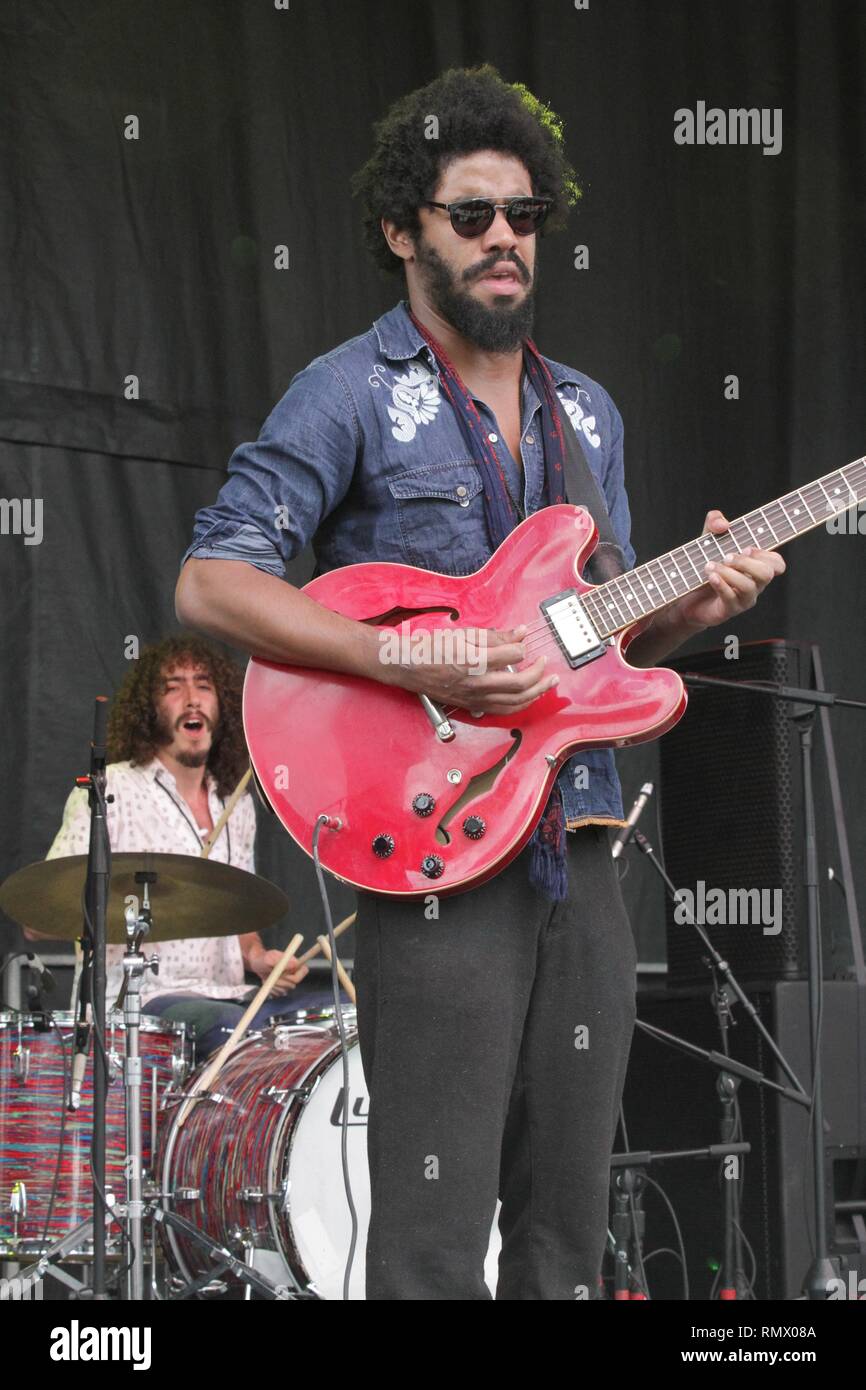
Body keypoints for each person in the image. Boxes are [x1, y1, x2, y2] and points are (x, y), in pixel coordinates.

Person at [175, 66, 785, 1299]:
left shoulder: (588, 416)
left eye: (523, 216)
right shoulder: (350, 390)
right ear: (404, 231)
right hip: (440, 851)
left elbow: (599, 657)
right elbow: (211, 581)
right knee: (431, 1247)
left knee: (565, 1236)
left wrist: (690, 606)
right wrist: (401, 651)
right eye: (471, 216)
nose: (505, 238)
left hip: (585, 844)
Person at [32, 635, 312, 1060]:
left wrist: (259, 958)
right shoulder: (114, 789)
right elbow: (44, 913)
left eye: (203, 685)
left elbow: (239, 925)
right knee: (233, 1027)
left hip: (230, 995)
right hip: (141, 1004)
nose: (191, 699)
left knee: (333, 1022)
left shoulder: (235, 803)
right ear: (149, 710)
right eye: (173, 686)